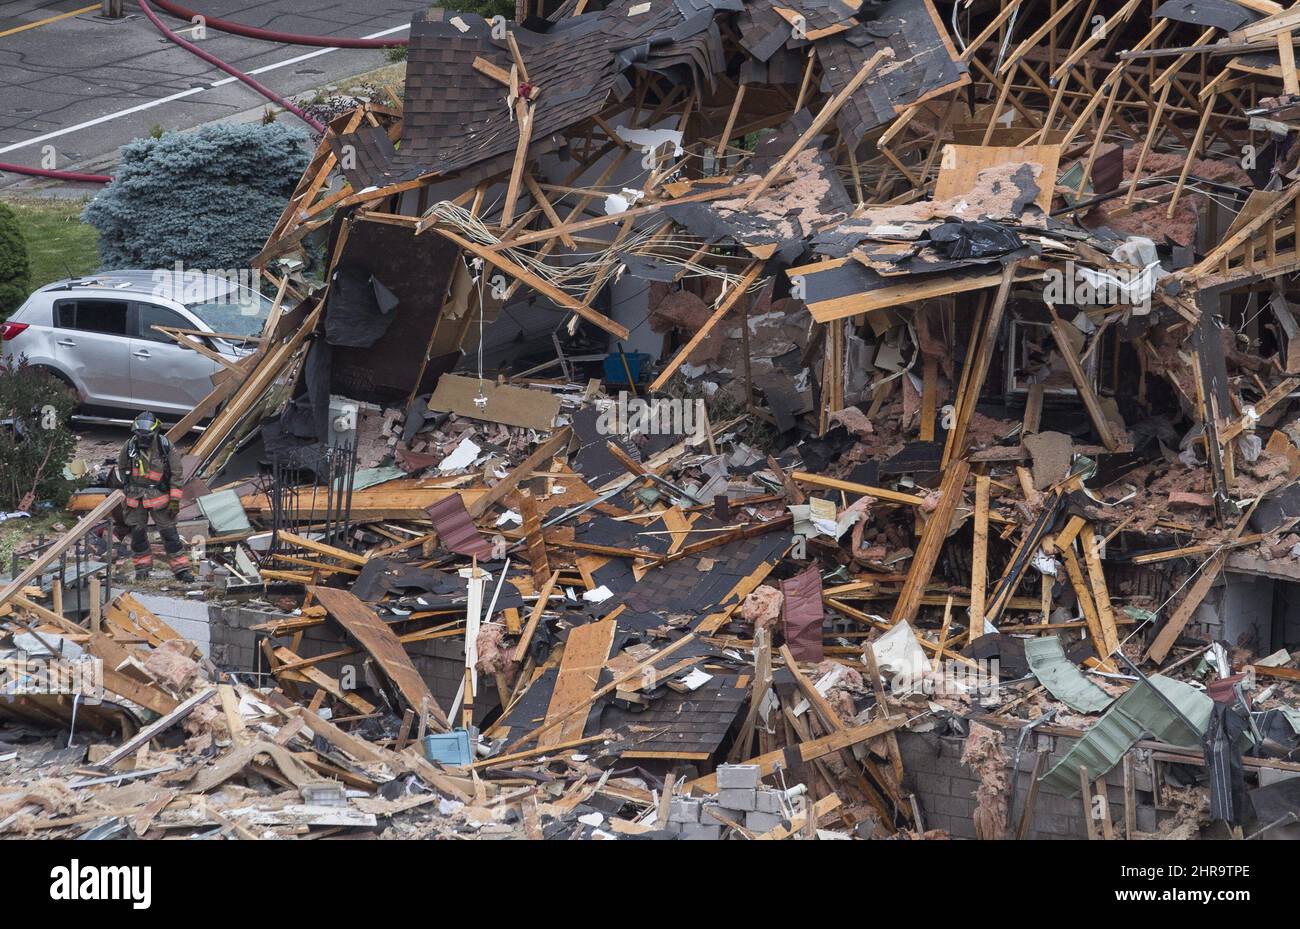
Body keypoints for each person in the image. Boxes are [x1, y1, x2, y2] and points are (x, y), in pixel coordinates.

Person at [118, 411, 193, 582]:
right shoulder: (129, 446)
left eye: (147, 436)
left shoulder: (165, 447)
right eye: (139, 435)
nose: (142, 439)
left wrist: (174, 500)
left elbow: (177, 475)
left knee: (170, 536)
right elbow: (122, 468)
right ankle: (142, 568)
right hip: (135, 498)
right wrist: (130, 487)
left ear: (155, 432)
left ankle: (181, 570)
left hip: (160, 498)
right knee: (137, 535)